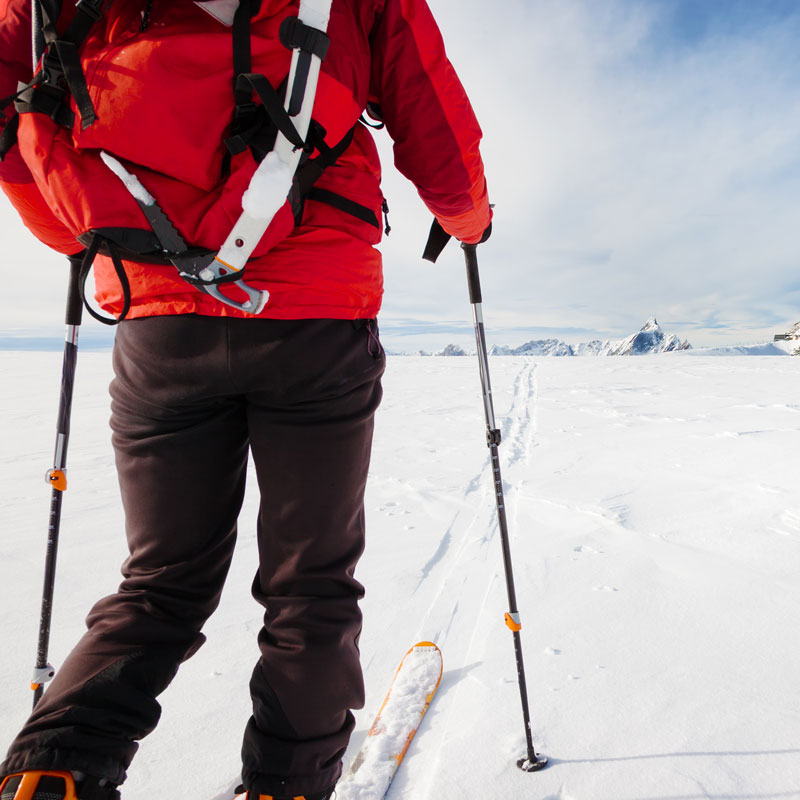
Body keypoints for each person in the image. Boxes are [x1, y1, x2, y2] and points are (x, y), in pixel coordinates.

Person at [0, 0, 491, 798]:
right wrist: (468, 220)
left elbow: (13, 107)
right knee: (311, 583)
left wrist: (81, 230)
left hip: (158, 316)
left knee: (159, 582)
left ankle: (53, 773)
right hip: (316, 319)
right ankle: (287, 785)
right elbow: (432, 115)